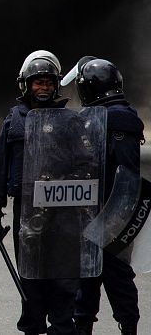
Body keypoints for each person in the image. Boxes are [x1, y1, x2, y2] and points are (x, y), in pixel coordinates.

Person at [0, 50, 77, 335]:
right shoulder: (14, 120)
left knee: (62, 275)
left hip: (63, 210)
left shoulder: (70, 120)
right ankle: (33, 327)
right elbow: (0, 167)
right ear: (26, 84)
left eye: (49, 82)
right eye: (38, 82)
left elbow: (84, 164)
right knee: (31, 276)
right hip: (26, 209)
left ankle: (62, 327)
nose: (44, 87)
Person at [64, 57, 140, 335]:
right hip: (96, 211)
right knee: (88, 276)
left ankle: (127, 326)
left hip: (111, 212)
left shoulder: (117, 117)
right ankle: (86, 325)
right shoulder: (106, 114)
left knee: (114, 276)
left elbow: (124, 172)